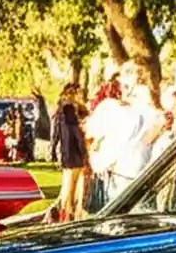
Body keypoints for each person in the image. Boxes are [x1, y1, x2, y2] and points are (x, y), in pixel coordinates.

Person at [86, 61, 162, 202]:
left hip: (122, 171)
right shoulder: (152, 113)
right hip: (143, 170)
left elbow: (89, 136)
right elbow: (150, 138)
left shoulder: (112, 108)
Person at [49, 83, 88, 221]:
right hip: (74, 153)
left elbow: (56, 134)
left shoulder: (60, 111)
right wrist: (83, 151)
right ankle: (70, 213)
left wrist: (53, 149)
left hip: (65, 152)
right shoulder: (69, 109)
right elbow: (75, 132)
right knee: (74, 185)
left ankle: (64, 212)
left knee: (67, 184)